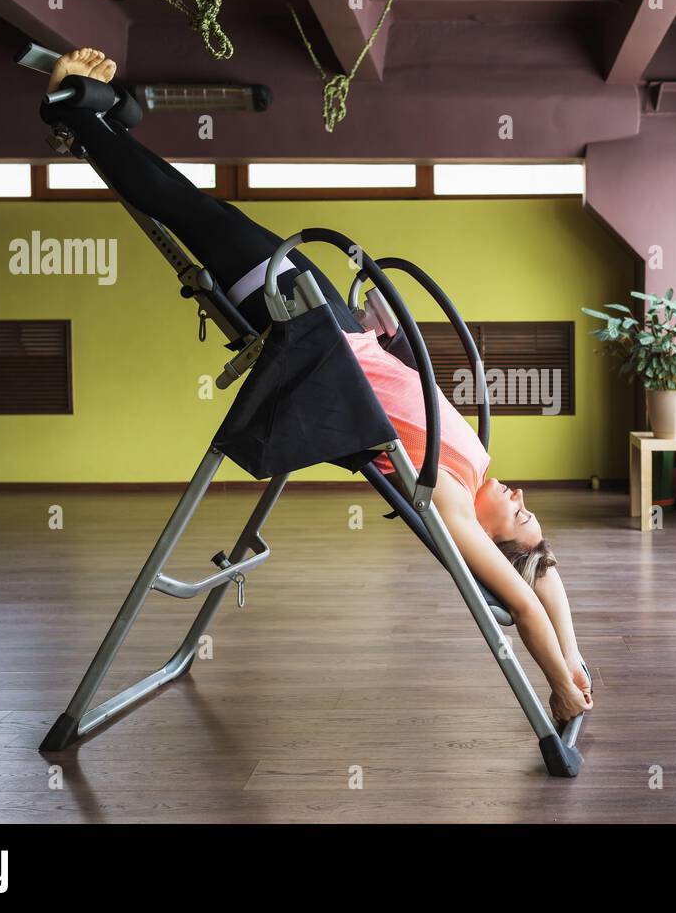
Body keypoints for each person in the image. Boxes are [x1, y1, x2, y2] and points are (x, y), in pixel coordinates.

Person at [40, 49, 594, 722]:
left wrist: (559, 687)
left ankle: (77, 118)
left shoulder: (444, 496)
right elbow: (547, 578)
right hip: (336, 321)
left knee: (189, 211)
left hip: (304, 333)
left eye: (521, 515)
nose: (522, 497)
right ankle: (104, 131)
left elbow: (525, 597)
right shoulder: (474, 468)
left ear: (491, 539)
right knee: (196, 208)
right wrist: (576, 655)